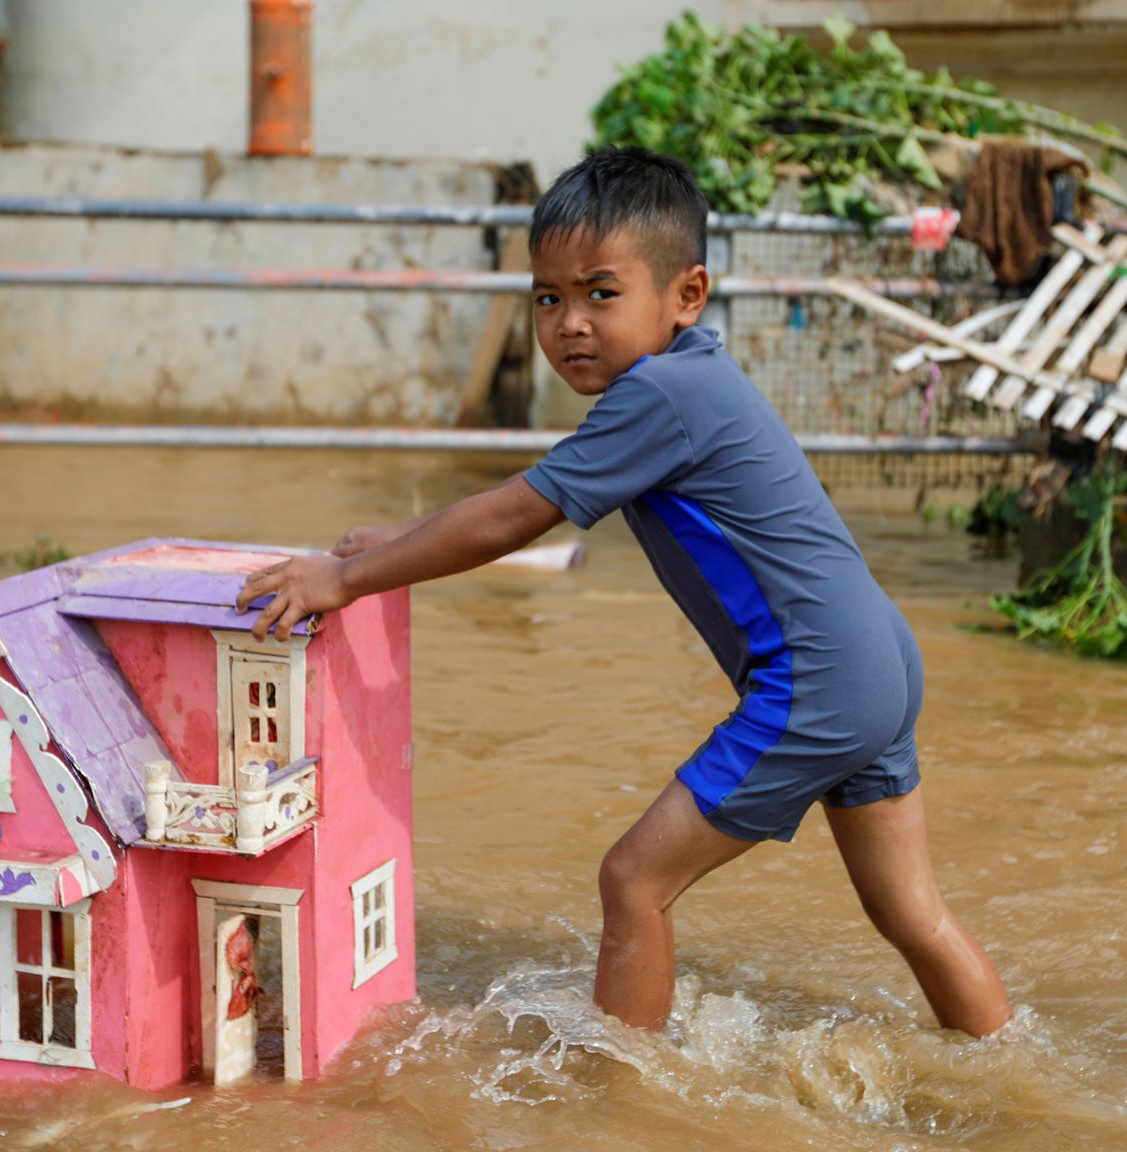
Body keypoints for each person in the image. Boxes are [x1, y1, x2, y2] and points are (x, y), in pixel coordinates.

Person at [237, 147, 1012, 1037]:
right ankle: (1013, 1076)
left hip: (820, 681)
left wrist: (342, 578)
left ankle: (617, 1097)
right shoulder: (694, 375)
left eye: (601, 293)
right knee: (912, 915)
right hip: (879, 660)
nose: (570, 324)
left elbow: (514, 518)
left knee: (634, 881)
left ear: (687, 294)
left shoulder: (658, 397)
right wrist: (401, 542)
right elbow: (518, 500)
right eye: (548, 298)